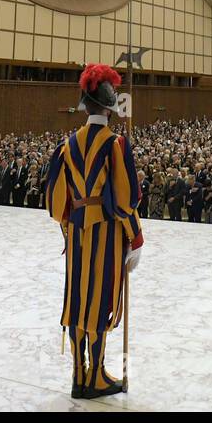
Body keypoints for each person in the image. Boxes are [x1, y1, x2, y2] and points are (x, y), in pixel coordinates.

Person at [45, 63, 144, 400]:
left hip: (75, 235)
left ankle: (78, 375)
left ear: (85, 104)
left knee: (77, 300)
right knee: (99, 302)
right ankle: (96, 376)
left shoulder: (66, 146)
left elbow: (57, 203)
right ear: (110, 106)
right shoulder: (115, 144)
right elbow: (125, 200)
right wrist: (136, 237)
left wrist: (71, 229)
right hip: (107, 235)